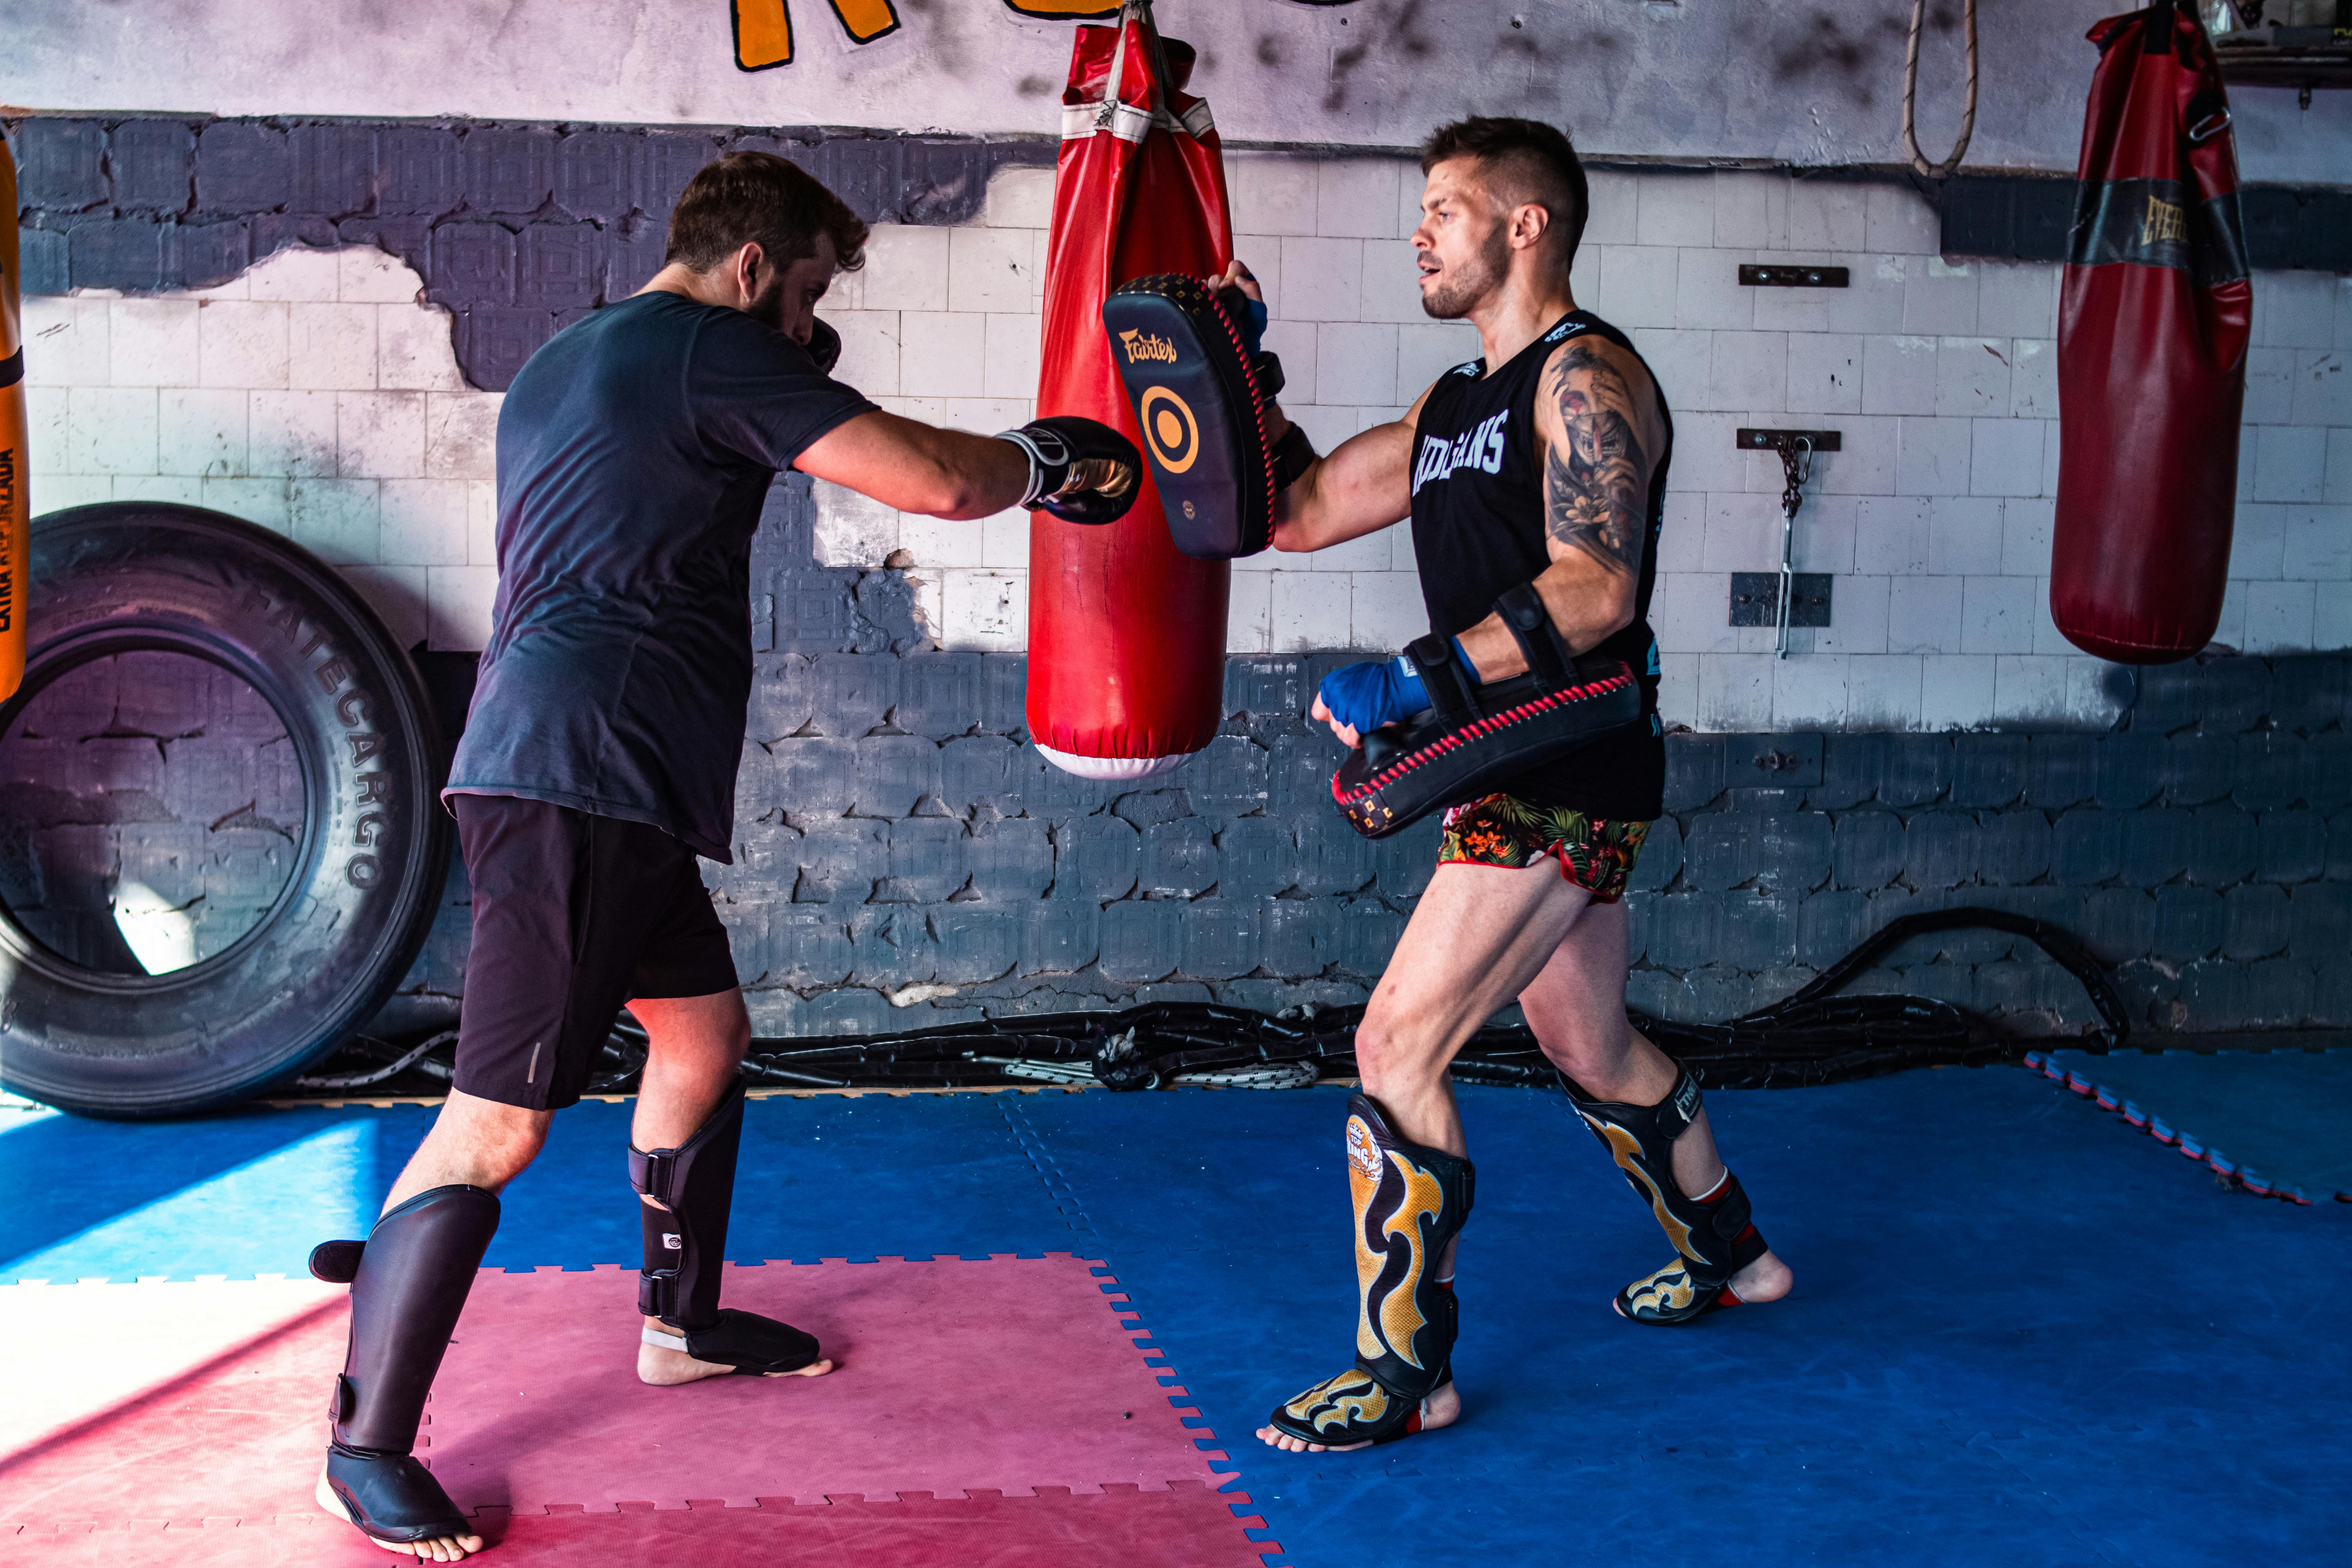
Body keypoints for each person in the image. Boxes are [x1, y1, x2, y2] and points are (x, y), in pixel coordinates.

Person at [309, 150, 1140, 1561]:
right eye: (807, 290)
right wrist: (1055, 461)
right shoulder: (705, 350)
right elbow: (935, 480)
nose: (813, 323)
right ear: (752, 267)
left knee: (702, 1040)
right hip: (582, 780)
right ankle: (364, 1443)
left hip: (595, 772)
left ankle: (679, 1328)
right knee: (497, 1121)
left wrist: (799, 359)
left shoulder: (578, 354)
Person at [1240, 118, 1795, 1455]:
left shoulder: (1584, 376)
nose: (1421, 231)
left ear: (1527, 224)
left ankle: (1403, 1372)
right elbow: (1298, 508)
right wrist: (1235, 378)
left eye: (1446, 206)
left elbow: (1598, 586)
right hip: (1522, 762)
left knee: (1396, 1049)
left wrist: (1421, 676)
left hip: (1564, 766)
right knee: (1586, 1042)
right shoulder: (1451, 406)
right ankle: (1738, 1258)